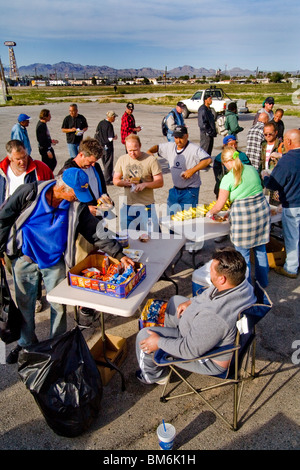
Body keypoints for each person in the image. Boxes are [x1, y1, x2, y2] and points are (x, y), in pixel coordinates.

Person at [0, 167, 134, 364]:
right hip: (26, 258)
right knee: (25, 305)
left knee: (59, 306)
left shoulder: (76, 207)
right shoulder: (29, 193)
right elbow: (4, 217)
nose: (78, 198)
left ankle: (57, 345)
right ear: (61, 188)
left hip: (54, 262)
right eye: (75, 193)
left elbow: (96, 232)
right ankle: (26, 344)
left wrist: (118, 253)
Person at [135, 248, 256, 385]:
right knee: (175, 302)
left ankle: (154, 376)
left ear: (222, 279)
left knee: (144, 336)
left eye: (211, 270)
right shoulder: (239, 283)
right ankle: (170, 344)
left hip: (206, 358)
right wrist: (191, 302)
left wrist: (159, 342)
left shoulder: (216, 317)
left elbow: (188, 350)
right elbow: (210, 292)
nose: (209, 272)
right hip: (201, 332)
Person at [0, 139, 54, 313]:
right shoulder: (2, 173)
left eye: (24, 156)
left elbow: (53, 191)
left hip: (34, 229)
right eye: (18, 159)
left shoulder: (40, 169)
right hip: (9, 229)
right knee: (12, 265)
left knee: (33, 263)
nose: (23, 161)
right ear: (10, 159)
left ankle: (36, 296)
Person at [207, 146, 271, 288]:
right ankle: (263, 283)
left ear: (225, 162)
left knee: (243, 256)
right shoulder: (251, 169)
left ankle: (246, 288)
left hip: (243, 219)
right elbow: (250, 194)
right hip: (261, 212)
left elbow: (219, 204)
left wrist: (210, 213)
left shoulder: (228, 178)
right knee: (260, 250)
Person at [147, 125, 211, 215]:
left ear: (187, 136)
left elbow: (207, 160)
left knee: (186, 221)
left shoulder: (194, 149)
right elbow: (157, 147)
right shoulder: (170, 146)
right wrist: (149, 152)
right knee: (171, 220)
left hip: (190, 191)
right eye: (176, 137)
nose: (178, 141)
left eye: (181, 137)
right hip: (175, 190)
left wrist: (192, 171)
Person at [262, 129, 300, 279]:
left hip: (292, 204)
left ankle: (291, 269)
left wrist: (265, 176)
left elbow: (273, 185)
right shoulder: (289, 158)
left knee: (292, 238)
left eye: (284, 141)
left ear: (289, 142)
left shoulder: (287, 160)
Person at [113, 134, 163, 230]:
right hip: (128, 206)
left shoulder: (151, 160)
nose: (132, 153)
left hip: (146, 206)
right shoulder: (122, 159)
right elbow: (115, 180)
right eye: (129, 150)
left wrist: (145, 184)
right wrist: (124, 183)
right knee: (129, 238)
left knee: (152, 237)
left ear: (140, 145)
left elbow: (160, 182)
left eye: (135, 150)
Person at [94, 110, 118, 185]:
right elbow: (110, 138)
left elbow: (96, 134)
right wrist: (115, 137)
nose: (114, 119)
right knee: (108, 162)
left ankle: (108, 176)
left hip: (100, 145)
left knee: (104, 161)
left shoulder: (100, 123)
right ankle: (107, 179)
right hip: (107, 145)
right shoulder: (109, 125)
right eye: (114, 117)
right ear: (111, 117)